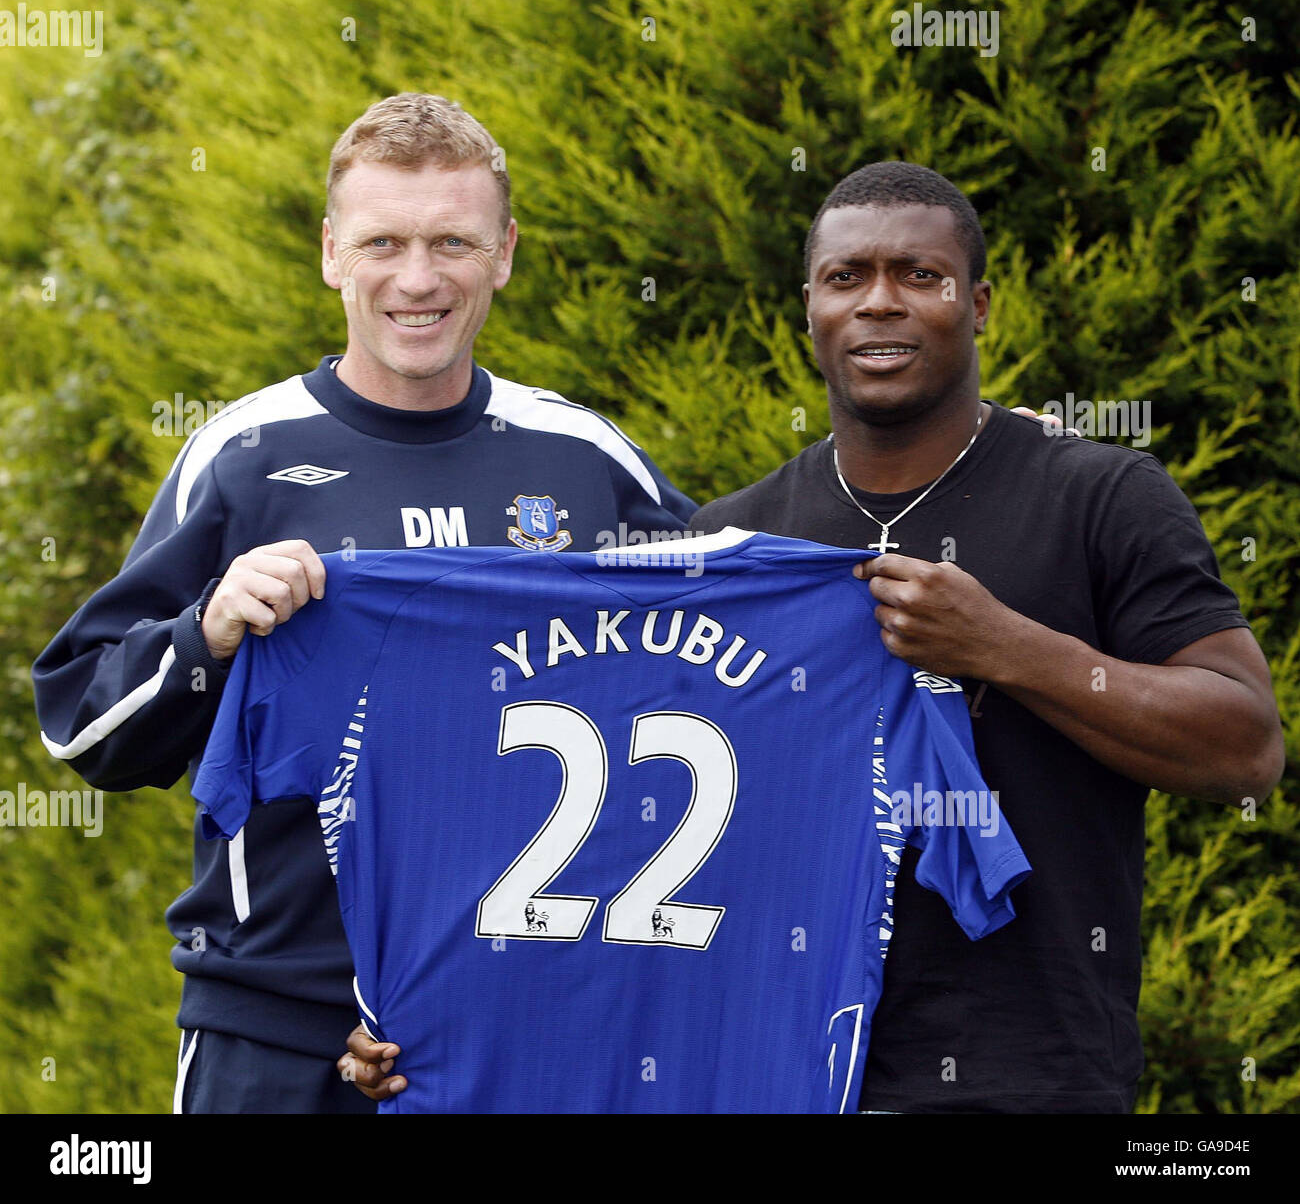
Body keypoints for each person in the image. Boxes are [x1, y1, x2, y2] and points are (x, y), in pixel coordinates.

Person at [343, 161, 1284, 1112]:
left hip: (1030, 1076)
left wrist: (1002, 646)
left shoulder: (1099, 498)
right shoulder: (732, 548)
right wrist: (438, 1016)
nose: (881, 303)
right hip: (774, 1076)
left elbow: (1245, 746)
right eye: (847, 279)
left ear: (981, 303)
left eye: (921, 275)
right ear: (809, 311)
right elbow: (622, 833)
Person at [32, 93, 695, 1114]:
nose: (417, 278)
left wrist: (953, 466)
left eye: (453, 242)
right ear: (333, 251)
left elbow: (744, 618)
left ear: (505, 253)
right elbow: (83, 725)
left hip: (520, 1020)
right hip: (274, 1026)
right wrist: (206, 630)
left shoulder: (583, 461)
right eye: (384, 240)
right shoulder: (243, 453)